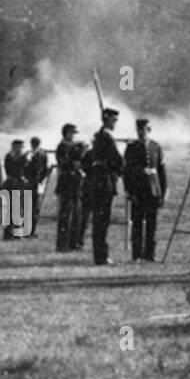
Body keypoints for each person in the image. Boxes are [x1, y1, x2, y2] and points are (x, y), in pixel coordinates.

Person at [123, 118, 167, 261]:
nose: (142, 133)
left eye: (145, 130)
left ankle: (150, 254)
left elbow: (161, 171)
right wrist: (129, 191)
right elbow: (127, 172)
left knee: (151, 223)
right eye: (139, 130)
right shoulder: (132, 147)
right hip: (138, 189)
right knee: (137, 223)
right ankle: (136, 254)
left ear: (149, 130)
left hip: (153, 189)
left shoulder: (156, 147)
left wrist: (164, 192)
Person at [84, 108, 124, 265]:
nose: (115, 124)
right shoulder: (106, 137)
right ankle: (101, 255)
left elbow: (87, 161)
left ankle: (99, 255)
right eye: (113, 120)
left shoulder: (98, 137)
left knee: (99, 222)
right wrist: (116, 172)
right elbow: (119, 160)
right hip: (104, 183)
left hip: (97, 182)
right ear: (107, 120)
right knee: (102, 221)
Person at [54, 124, 83, 252]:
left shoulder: (76, 146)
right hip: (66, 182)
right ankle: (62, 243)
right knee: (65, 214)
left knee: (77, 213)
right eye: (72, 133)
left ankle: (74, 242)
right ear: (67, 134)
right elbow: (66, 163)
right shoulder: (62, 147)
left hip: (76, 182)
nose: (74, 135)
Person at [1, 139, 29, 240]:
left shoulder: (18, 157)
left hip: (17, 184)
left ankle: (14, 232)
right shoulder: (11, 156)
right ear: (14, 146)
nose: (22, 148)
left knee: (18, 209)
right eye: (20, 146)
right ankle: (11, 232)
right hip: (14, 184)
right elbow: (15, 170)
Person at [25, 136, 50, 238]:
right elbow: (46, 168)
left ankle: (29, 230)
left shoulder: (30, 154)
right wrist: (41, 179)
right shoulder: (42, 154)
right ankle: (30, 230)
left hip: (31, 182)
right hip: (35, 182)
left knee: (31, 207)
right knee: (34, 207)